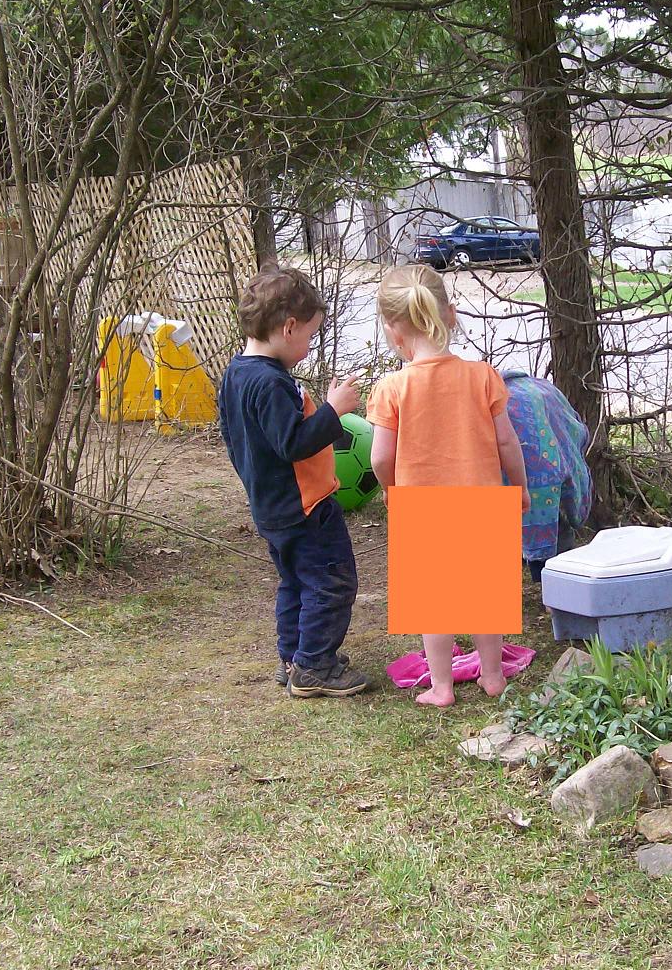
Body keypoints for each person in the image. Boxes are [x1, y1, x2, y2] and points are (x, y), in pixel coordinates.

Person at [366, 264, 529, 708]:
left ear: (392, 330)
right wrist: (520, 487)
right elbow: (507, 442)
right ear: (450, 315)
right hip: (482, 499)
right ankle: (492, 676)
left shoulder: (392, 387)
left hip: (423, 506)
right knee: (484, 595)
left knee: (434, 602)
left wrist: (390, 489)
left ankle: (441, 687)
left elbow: (380, 456)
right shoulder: (483, 376)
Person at [218, 266, 371, 698]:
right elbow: (293, 443)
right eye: (309, 335)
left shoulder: (236, 374)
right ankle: (314, 665)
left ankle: (293, 656)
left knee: (296, 582)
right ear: (288, 328)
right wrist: (333, 410)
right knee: (333, 581)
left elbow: (233, 436)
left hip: (272, 506)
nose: (308, 345)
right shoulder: (268, 383)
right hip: (304, 507)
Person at [502, 369, 592, 581]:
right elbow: (571, 431)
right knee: (555, 523)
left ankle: (557, 589)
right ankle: (558, 591)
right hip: (549, 476)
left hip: (530, 477)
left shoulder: (495, 395)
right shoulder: (543, 391)